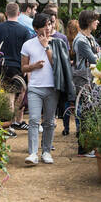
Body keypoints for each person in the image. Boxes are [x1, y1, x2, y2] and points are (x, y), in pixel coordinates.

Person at [20, 11, 65, 165]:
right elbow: (24, 68)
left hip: (52, 88)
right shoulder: (28, 44)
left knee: (49, 122)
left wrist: (46, 47)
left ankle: (46, 151)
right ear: (36, 28)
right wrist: (34, 66)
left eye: (50, 24)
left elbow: (57, 65)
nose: (48, 28)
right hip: (34, 88)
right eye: (44, 25)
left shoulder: (56, 43)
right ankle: (33, 153)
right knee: (33, 120)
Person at [0, 3, 35, 129]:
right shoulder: (24, 30)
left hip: (1, 66)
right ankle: (11, 123)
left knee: (7, 95)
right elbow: (28, 52)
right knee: (17, 94)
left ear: (6, 14)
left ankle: (10, 122)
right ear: (18, 14)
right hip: (18, 67)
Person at [72, 10, 101, 156]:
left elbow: (98, 54)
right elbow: (96, 58)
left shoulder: (90, 38)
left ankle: (89, 145)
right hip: (83, 78)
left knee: (91, 112)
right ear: (89, 21)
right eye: (95, 20)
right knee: (86, 112)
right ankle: (83, 147)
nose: (98, 22)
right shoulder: (81, 40)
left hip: (90, 78)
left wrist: (97, 53)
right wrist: (97, 54)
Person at [58, 18, 79, 134]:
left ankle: (66, 128)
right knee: (77, 101)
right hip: (77, 72)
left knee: (67, 100)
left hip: (67, 72)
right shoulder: (79, 41)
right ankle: (78, 128)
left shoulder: (65, 40)